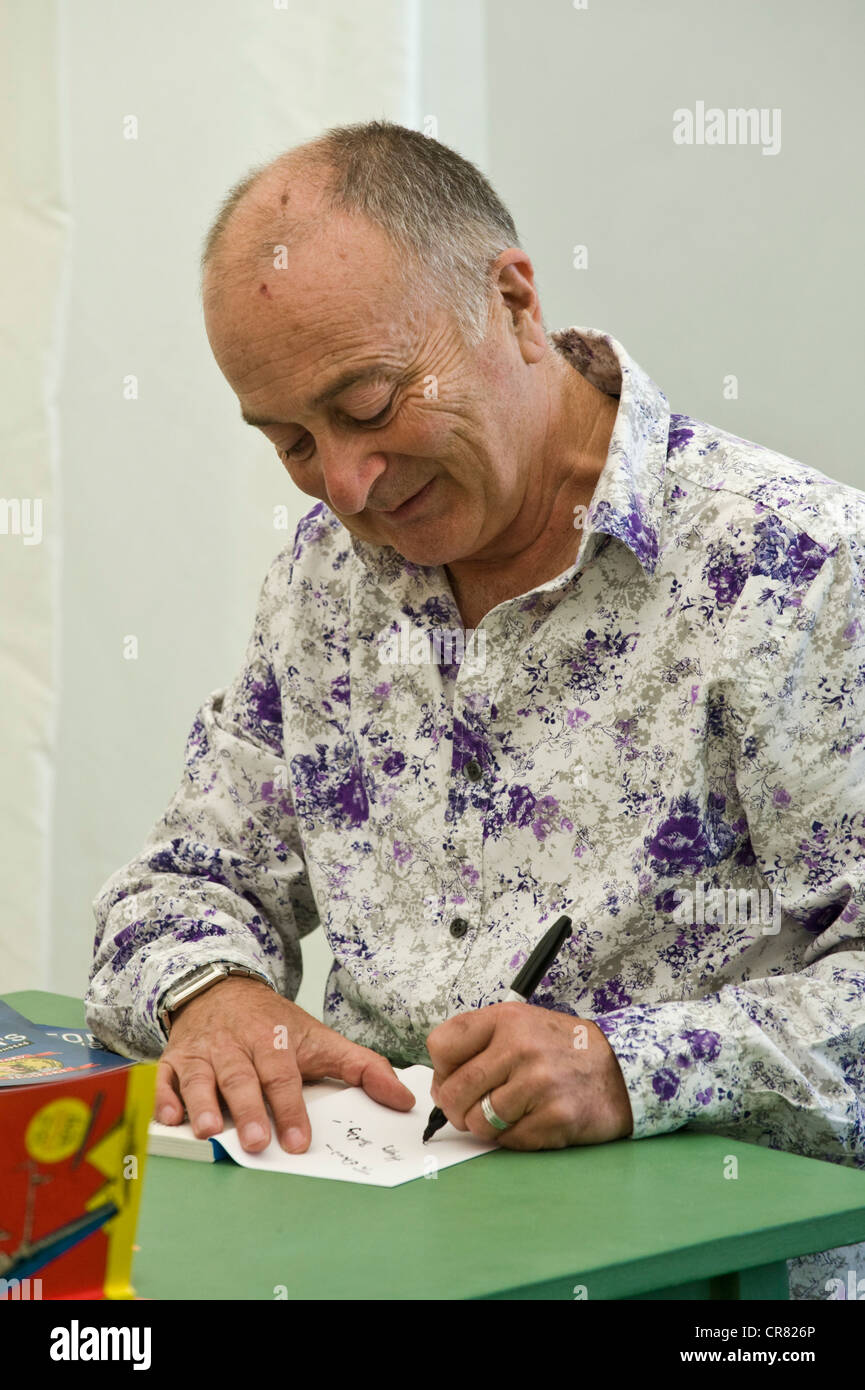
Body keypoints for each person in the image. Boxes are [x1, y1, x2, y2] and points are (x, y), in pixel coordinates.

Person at [87, 120, 865, 1300]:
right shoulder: (326, 577)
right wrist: (219, 999)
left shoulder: (798, 567)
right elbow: (178, 885)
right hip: (377, 1265)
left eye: (368, 402)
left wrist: (628, 1068)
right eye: (291, 441)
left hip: (704, 1283)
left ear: (510, 302)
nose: (345, 484)